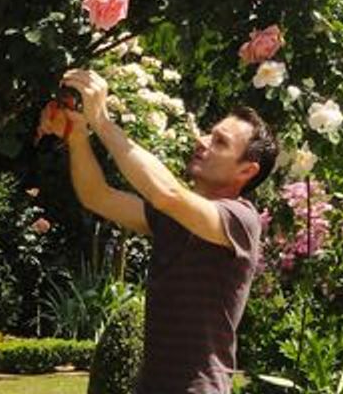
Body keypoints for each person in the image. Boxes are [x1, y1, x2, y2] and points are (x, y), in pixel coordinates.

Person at [50, 68, 278, 394]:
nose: (201, 141)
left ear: (246, 170)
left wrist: (101, 119)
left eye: (219, 142)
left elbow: (167, 194)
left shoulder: (240, 220)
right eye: (208, 133)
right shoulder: (175, 217)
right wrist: (76, 135)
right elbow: (96, 196)